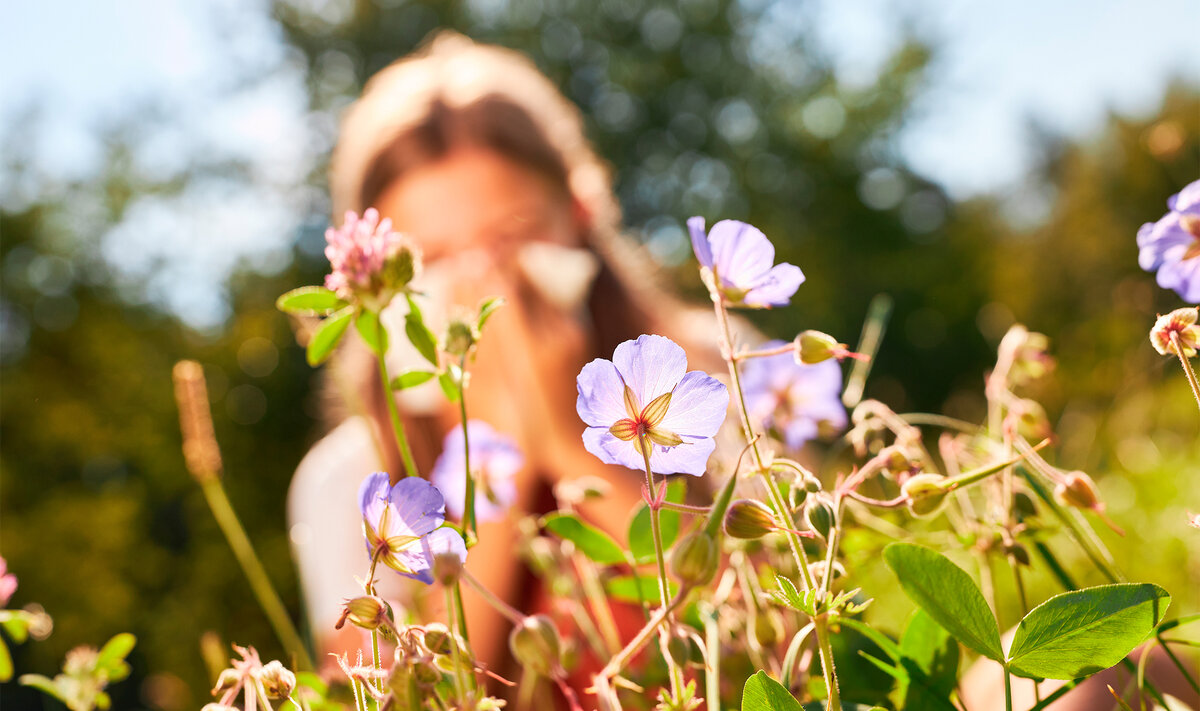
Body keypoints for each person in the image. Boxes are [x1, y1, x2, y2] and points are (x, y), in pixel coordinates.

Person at [286, 31, 734, 681]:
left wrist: (565, 433)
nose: (480, 286)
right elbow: (400, 693)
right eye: (431, 261)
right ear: (373, 282)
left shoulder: (716, 369)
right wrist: (490, 455)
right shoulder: (346, 476)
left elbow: (766, 626)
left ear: (580, 212)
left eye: (510, 237)